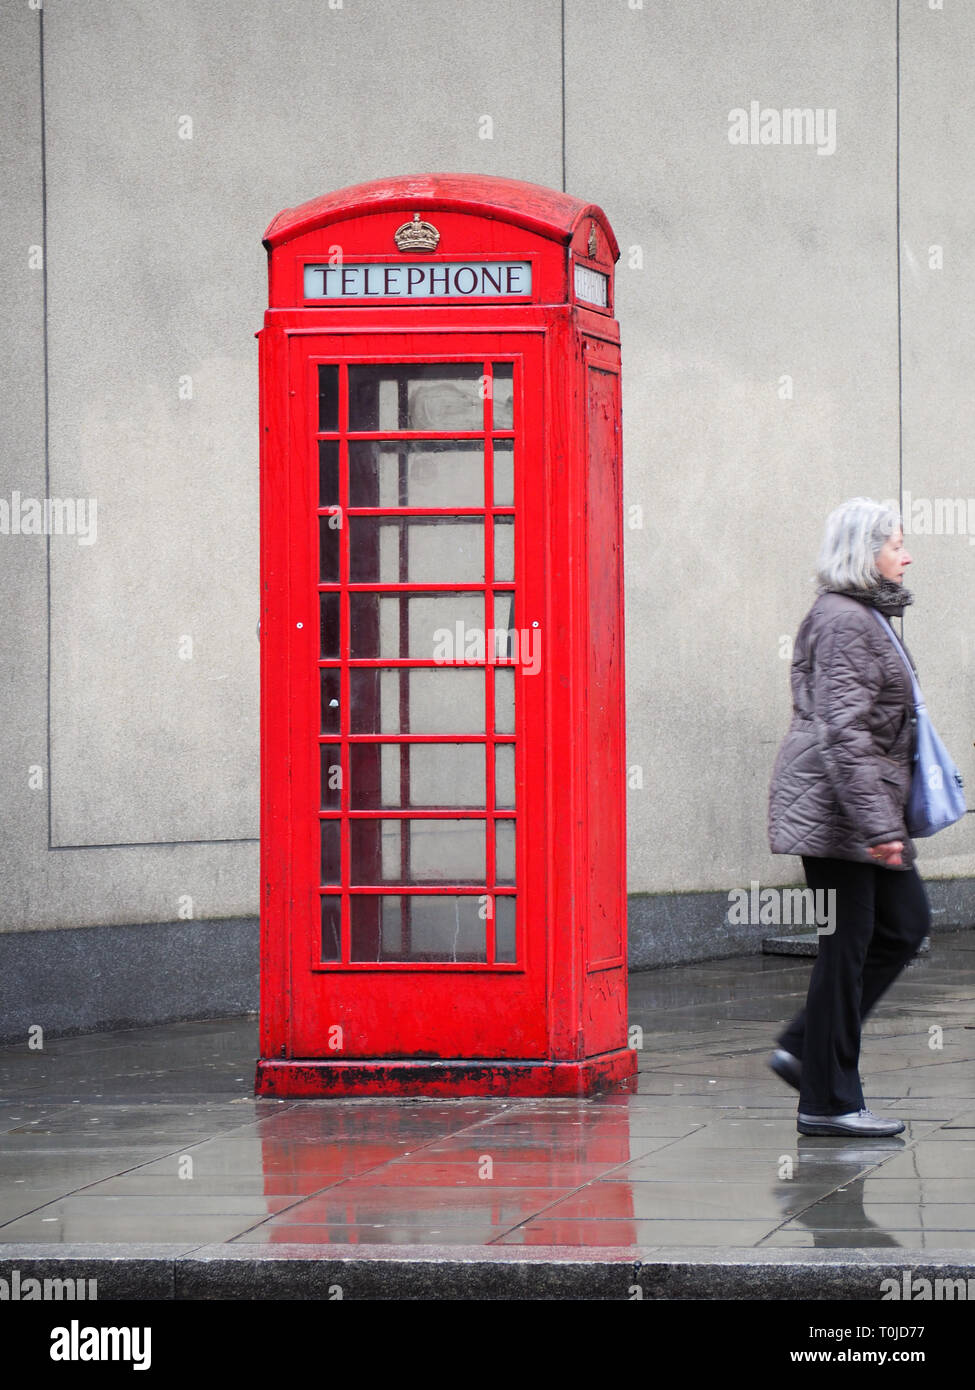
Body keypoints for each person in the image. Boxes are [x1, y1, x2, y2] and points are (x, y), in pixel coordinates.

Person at [767, 497, 931, 1136]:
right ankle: (827, 1100)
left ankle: (809, 1052)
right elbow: (844, 733)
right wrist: (880, 829)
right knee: (851, 944)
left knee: (901, 926)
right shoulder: (844, 621)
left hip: (858, 809)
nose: (906, 555)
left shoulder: (862, 616)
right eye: (895, 545)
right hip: (842, 814)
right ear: (865, 555)